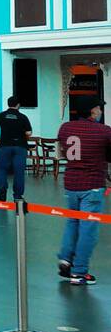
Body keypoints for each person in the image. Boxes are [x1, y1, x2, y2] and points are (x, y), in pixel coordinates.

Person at [56, 99, 111, 285]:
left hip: (71, 183)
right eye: (98, 108)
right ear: (92, 111)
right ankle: (79, 272)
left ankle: (65, 259)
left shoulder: (65, 128)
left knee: (72, 222)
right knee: (88, 229)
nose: (100, 111)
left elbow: (63, 152)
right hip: (92, 186)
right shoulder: (104, 131)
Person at [0, 95, 33, 202]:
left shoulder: (1, 115)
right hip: (20, 147)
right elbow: (29, 133)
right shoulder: (23, 117)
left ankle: (3, 187)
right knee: (18, 171)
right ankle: (17, 196)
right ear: (18, 105)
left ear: (8, 104)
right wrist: (23, 138)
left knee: (2, 169)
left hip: (5, 146)